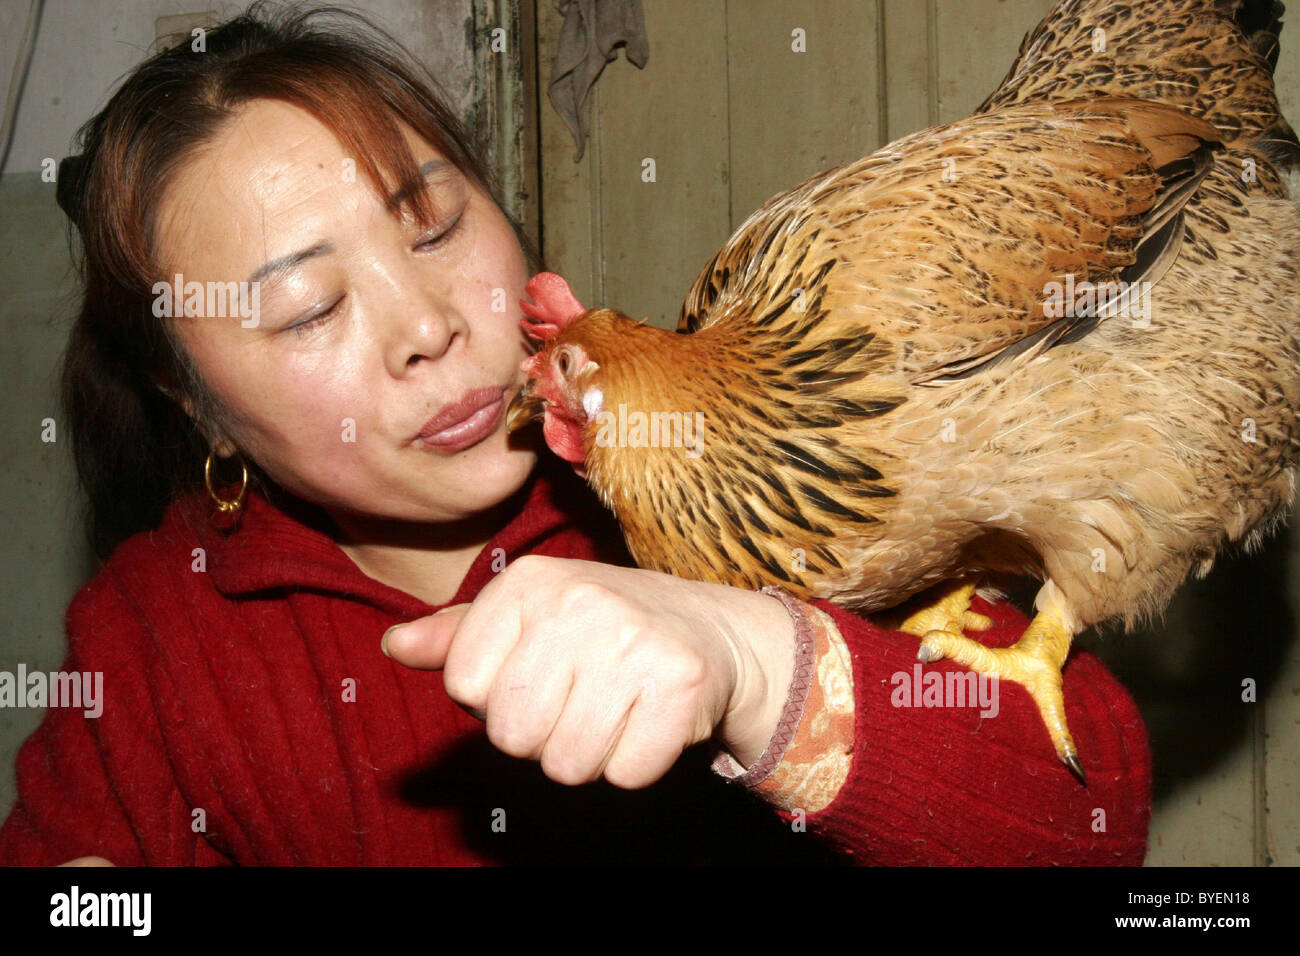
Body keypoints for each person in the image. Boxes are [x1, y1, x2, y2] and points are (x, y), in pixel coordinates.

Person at [0, 1, 1151, 866]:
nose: (429, 326)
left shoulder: (731, 459)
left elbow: (1096, 811)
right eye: (308, 308)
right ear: (198, 404)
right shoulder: (155, 627)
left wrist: (754, 659)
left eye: (438, 227)